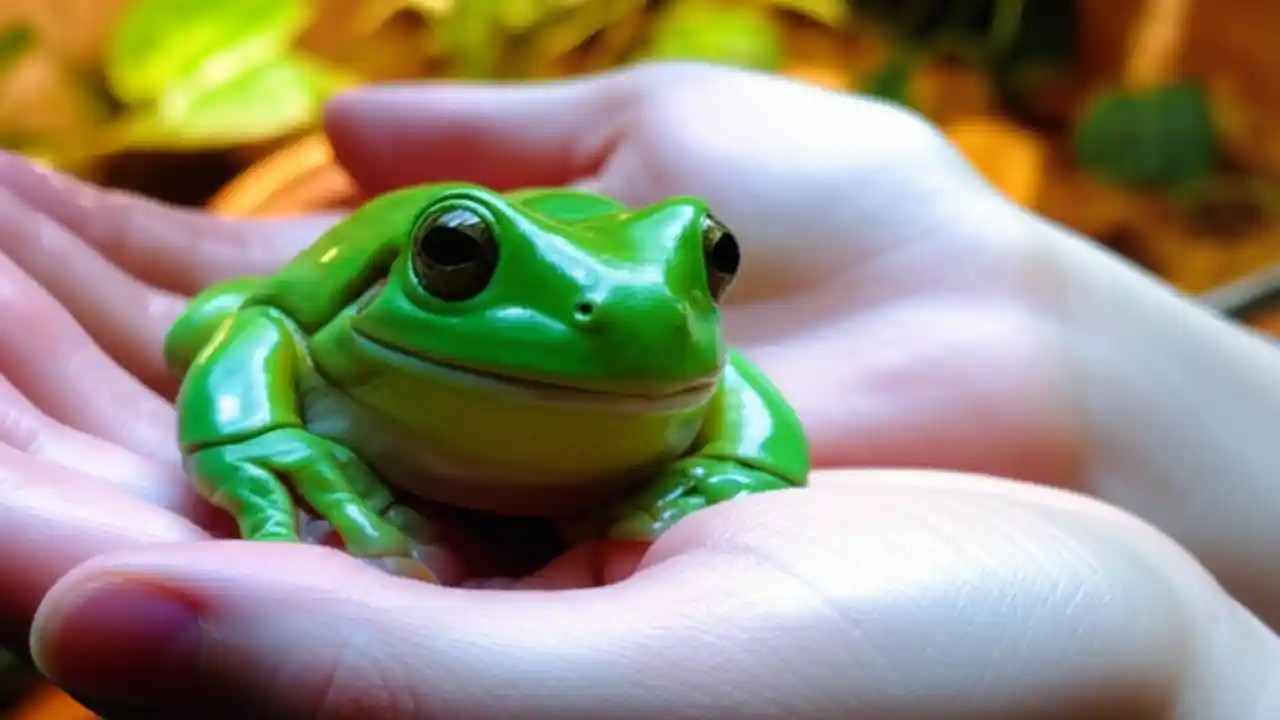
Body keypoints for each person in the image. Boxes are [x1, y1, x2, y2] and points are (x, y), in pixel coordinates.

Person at [0, 61, 1276, 718]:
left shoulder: (688, 362)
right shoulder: (333, 308)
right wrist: (254, 436)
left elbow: (741, 400)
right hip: (324, 334)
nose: (640, 313)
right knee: (206, 310)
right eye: (458, 260)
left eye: (709, 266)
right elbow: (249, 323)